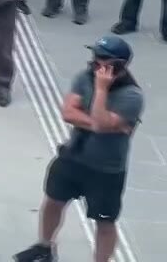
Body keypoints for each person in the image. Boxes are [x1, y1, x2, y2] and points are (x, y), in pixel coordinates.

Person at [18, 35, 143, 262]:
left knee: (105, 221)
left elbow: (103, 123)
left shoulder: (132, 96)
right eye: (95, 56)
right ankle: (44, 247)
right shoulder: (85, 76)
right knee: (53, 200)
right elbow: (69, 112)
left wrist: (101, 90)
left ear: (119, 64)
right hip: (73, 155)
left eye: (103, 59)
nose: (95, 62)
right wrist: (98, 122)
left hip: (106, 169)